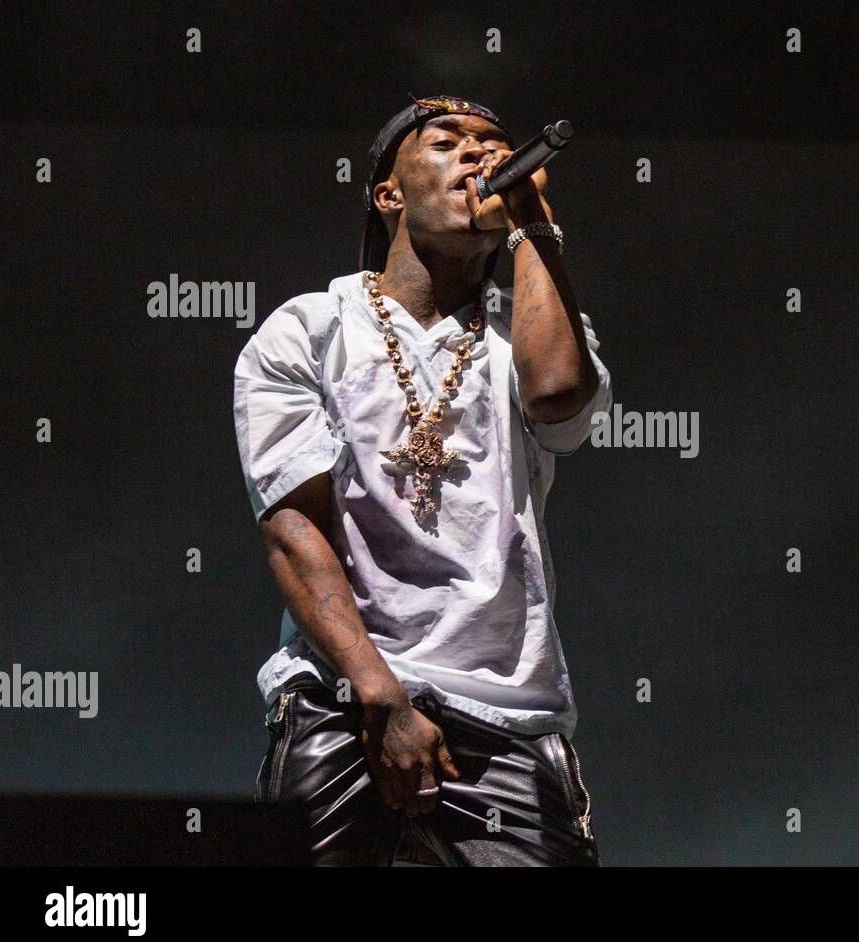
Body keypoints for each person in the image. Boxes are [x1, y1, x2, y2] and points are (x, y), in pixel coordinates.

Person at [232, 94, 611, 865]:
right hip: (345, 698)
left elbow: (556, 397)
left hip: (507, 710)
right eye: (449, 142)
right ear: (388, 192)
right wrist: (380, 695)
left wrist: (533, 223)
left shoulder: (533, 328)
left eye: (495, 145)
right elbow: (293, 527)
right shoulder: (310, 326)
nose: (480, 156)